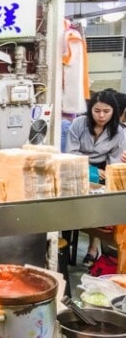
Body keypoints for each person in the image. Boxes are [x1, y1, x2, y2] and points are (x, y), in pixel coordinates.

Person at [65, 89, 126, 266]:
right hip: (76, 167)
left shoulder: (120, 132)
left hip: (104, 169)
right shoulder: (78, 124)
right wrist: (90, 169)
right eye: (97, 111)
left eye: (106, 112)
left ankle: (94, 246)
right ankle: (66, 243)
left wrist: (105, 173)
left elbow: (114, 161)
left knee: (102, 202)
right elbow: (70, 153)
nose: (101, 116)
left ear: (114, 111)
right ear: (90, 110)